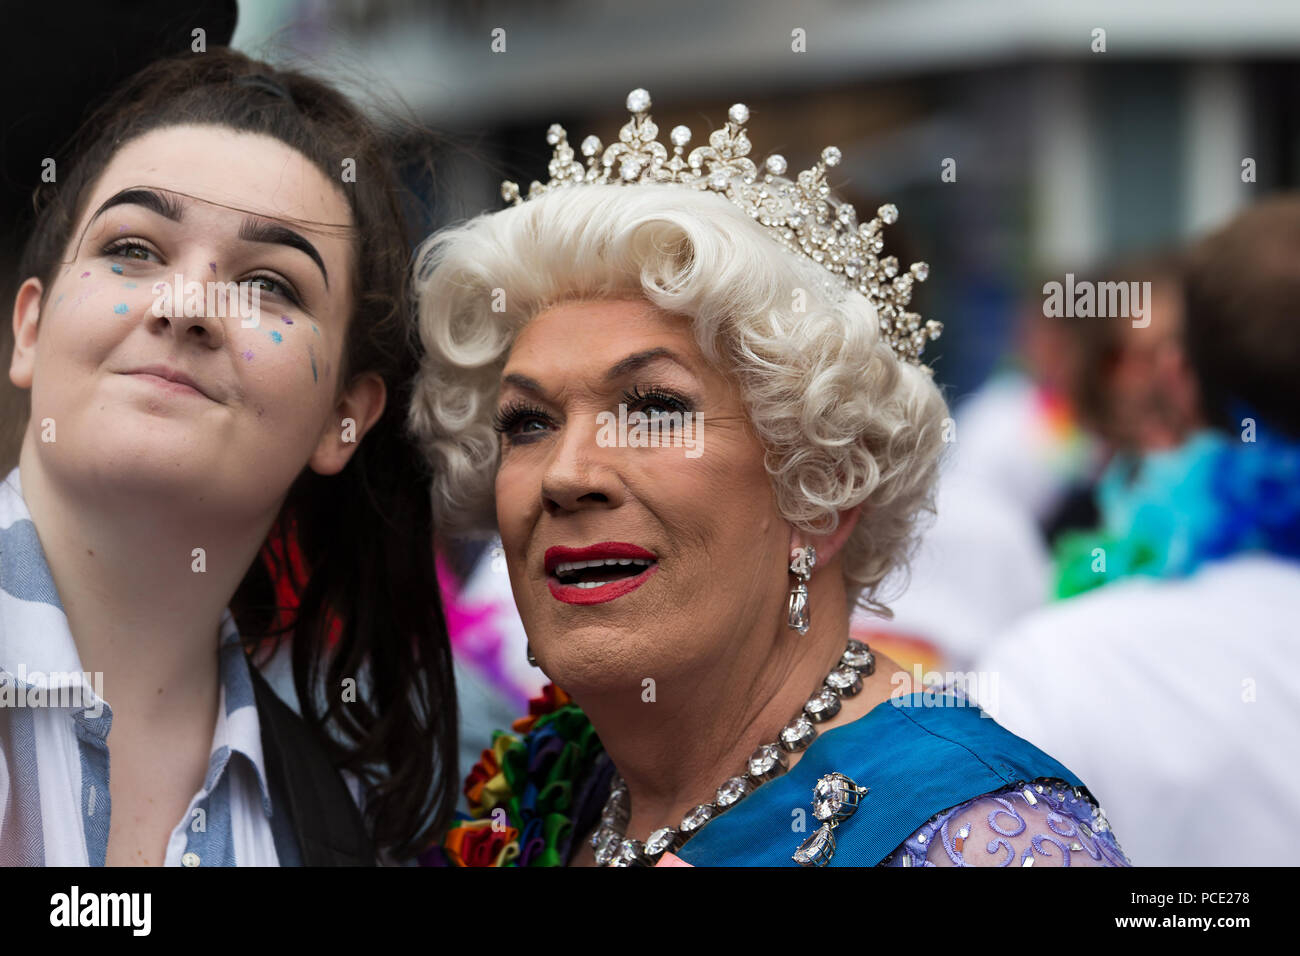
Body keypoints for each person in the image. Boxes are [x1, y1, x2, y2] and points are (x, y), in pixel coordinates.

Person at [408, 90, 1132, 867]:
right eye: (528, 422)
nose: (567, 475)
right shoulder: (534, 787)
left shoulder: (986, 839)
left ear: (823, 492)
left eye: (652, 408)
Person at [0, 48, 458, 865]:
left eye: (270, 286)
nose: (187, 307)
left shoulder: (335, 827)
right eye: (135, 249)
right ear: (29, 329)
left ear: (344, 420)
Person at [978, 197, 1300, 865]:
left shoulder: (1053, 667)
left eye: (1154, 355)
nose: (1136, 380)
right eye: (1122, 356)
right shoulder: (1063, 615)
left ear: (1179, 379)